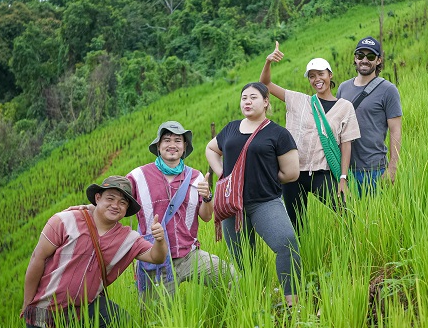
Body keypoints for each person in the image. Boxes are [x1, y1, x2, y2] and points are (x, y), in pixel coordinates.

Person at [21, 175, 167, 328]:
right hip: (45, 309)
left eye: (123, 202)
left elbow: (156, 257)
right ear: (98, 198)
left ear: (126, 209)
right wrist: (28, 303)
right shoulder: (64, 220)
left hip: (85, 307)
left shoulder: (127, 238)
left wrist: (160, 240)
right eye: (110, 198)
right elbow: (37, 258)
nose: (116, 205)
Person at [205, 82, 301, 307]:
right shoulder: (231, 128)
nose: (247, 102)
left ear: (266, 102)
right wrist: (223, 174)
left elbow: (291, 173)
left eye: (253, 97)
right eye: (244, 98)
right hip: (232, 206)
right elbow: (211, 149)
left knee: (286, 244)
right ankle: (256, 304)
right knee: (243, 260)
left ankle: (293, 304)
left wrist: (262, 176)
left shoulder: (278, 134)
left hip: (265, 202)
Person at [128, 120, 236, 303]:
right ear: (158, 146)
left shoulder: (196, 177)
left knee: (233, 277)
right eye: (167, 140)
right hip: (156, 262)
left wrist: (207, 197)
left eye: (178, 141)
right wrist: (91, 208)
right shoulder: (138, 176)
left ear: (184, 146)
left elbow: (206, 216)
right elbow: (115, 201)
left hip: (189, 256)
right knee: (158, 317)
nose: (172, 145)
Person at [260, 41, 360, 231]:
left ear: (330, 75)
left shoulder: (345, 107)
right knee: (297, 226)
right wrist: (268, 62)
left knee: (347, 216)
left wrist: (343, 177)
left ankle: (356, 247)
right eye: (312, 76)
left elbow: (346, 144)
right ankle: (303, 251)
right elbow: (265, 84)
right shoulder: (298, 100)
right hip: (293, 174)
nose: (317, 79)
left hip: (321, 173)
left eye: (321, 74)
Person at [336, 36, 402, 194]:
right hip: (345, 171)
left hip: (374, 170)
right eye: (360, 55)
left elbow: (396, 130)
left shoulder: (388, 90)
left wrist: (393, 167)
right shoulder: (343, 88)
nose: (364, 60)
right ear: (355, 58)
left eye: (370, 56)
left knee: (376, 211)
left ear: (378, 60)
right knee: (347, 210)